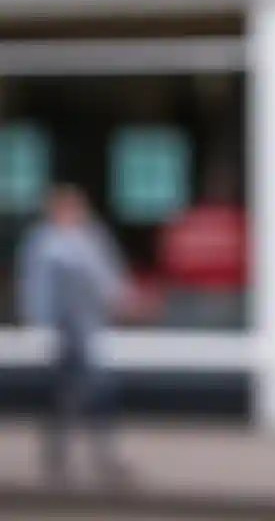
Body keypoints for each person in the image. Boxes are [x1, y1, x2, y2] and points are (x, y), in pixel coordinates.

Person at [17, 186, 148, 488]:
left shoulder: (91, 239)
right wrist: (40, 326)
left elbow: (108, 277)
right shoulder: (47, 244)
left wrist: (126, 300)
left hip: (89, 328)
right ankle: (91, 455)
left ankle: (74, 454)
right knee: (82, 391)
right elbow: (37, 289)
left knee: (82, 392)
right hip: (66, 331)